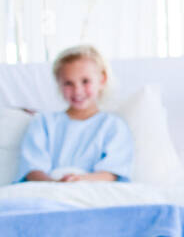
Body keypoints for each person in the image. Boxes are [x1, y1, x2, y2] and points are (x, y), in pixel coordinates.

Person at [15, 44, 133, 184]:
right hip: (48, 190)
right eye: (68, 83)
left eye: (85, 81)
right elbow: (32, 170)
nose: (77, 90)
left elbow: (111, 173)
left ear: (102, 80)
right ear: (58, 84)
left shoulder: (113, 126)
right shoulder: (43, 123)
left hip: (94, 192)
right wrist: (55, 184)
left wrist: (78, 181)